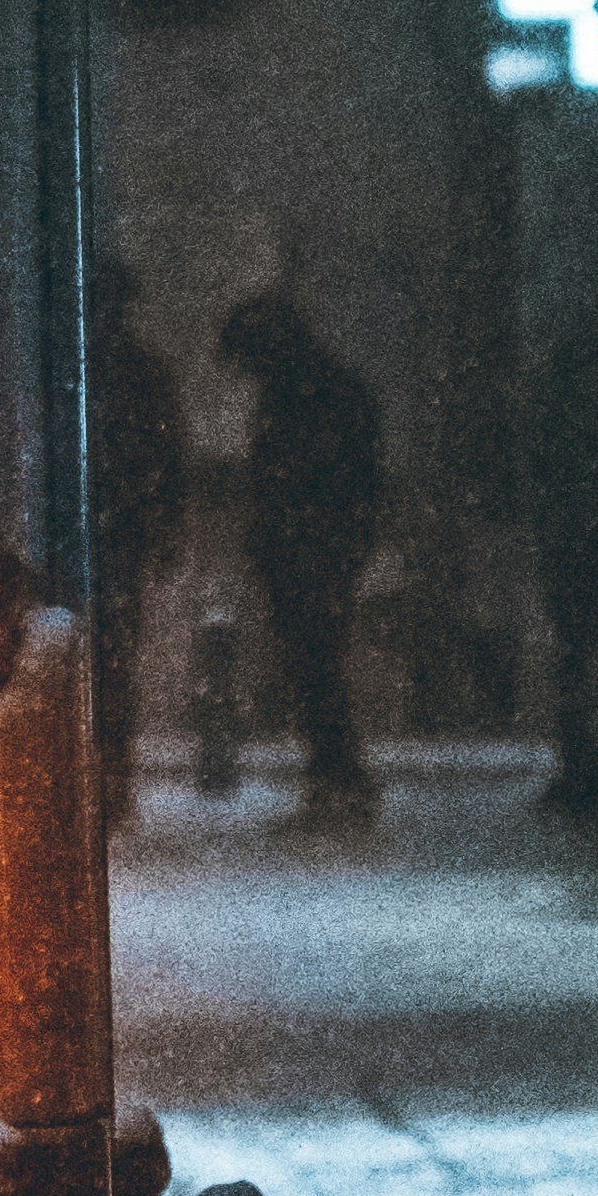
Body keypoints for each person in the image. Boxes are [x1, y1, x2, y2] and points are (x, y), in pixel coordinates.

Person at [218, 288, 382, 821]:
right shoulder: (326, 391)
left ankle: (339, 776)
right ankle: (337, 775)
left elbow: (299, 479)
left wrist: (284, 532)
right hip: (318, 547)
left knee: (314, 666)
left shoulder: (302, 397)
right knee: (316, 664)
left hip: (308, 548)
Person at [87, 254, 187, 829]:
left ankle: (108, 784)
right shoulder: (142, 374)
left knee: (103, 665)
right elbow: (166, 464)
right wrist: (164, 528)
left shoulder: (87, 373)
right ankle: (112, 784)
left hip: (104, 538)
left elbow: (164, 463)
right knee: (113, 665)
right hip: (119, 536)